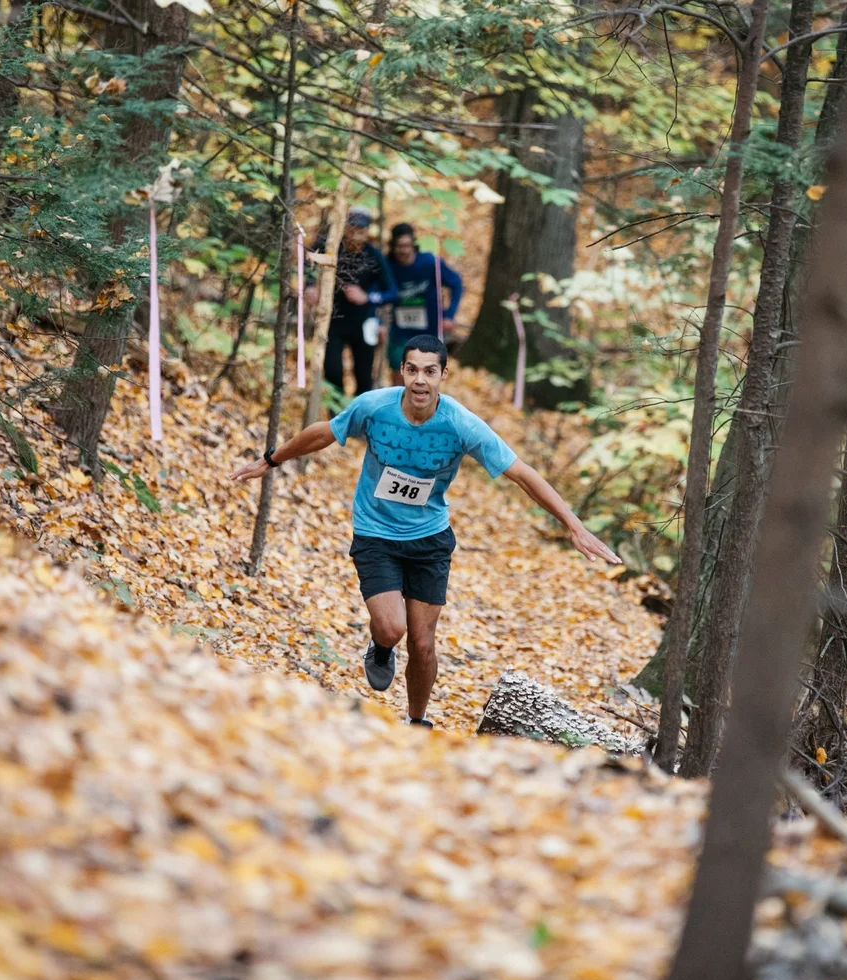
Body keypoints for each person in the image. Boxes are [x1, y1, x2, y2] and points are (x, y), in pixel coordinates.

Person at [229, 334, 620, 727]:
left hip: (429, 539)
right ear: (402, 371)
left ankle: (417, 722)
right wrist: (272, 460)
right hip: (376, 531)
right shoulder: (374, 407)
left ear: (443, 375)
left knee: (422, 643)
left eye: (429, 371)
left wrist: (574, 525)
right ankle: (381, 648)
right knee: (391, 627)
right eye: (412, 369)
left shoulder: (460, 423)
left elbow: (521, 474)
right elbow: (325, 432)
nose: (420, 380)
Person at [305, 206, 397, 397]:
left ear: (367, 232)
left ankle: (359, 417)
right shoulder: (332, 247)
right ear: (345, 228)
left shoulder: (373, 255)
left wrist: (367, 297)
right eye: (351, 229)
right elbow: (308, 258)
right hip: (333, 320)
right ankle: (337, 417)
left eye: (360, 230)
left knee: (363, 376)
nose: (355, 235)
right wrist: (311, 285)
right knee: (332, 370)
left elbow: (392, 292)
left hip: (364, 322)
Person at [385, 222, 464, 385]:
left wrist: (449, 315)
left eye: (407, 245)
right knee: (399, 376)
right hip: (400, 332)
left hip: (429, 332)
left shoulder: (430, 263)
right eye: (399, 246)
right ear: (393, 246)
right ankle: (399, 409)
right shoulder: (387, 266)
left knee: (426, 378)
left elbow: (456, 283)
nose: (404, 250)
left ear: (413, 244)